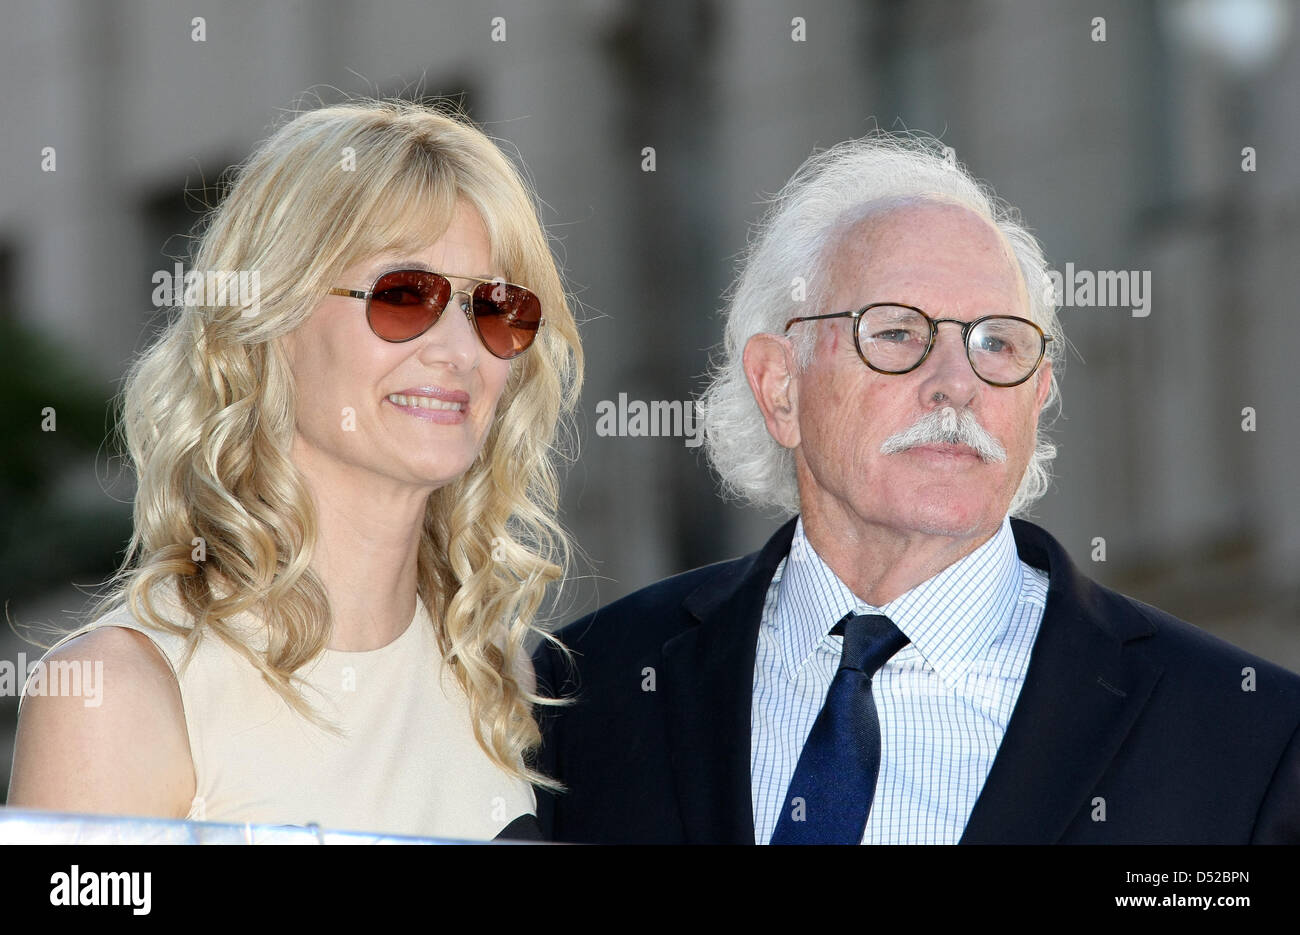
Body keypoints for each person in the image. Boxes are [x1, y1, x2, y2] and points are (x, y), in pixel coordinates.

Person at [532, 133, 1300, 844]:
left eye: (997, 343)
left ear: (1037, 397)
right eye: (897, 332)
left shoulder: (1248, 734)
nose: (956, 384)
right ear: (779, 386)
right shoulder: (582, 691)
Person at [9, 99, 581, 842]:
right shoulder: (118, 696)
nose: (459, 350)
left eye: (496, 307)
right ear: (269, 319)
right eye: (406, 295)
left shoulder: (505, 682)